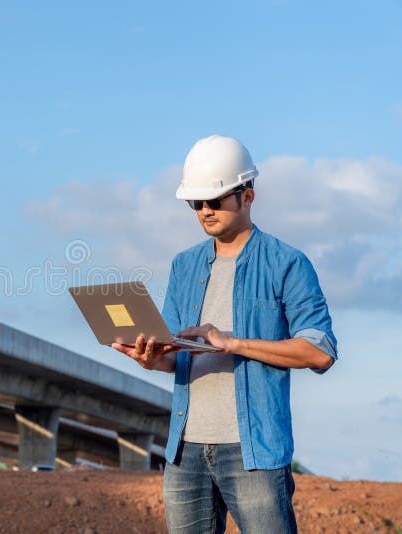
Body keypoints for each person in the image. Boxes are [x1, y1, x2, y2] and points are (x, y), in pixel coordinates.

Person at [112, 135, 338, 533]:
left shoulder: (287, 264)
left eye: (214, 201)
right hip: (185, 454)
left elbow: (319, 351)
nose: (204, 211)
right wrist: (151, 358)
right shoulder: (184, 266)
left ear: (247, 196)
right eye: (195, 203)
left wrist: (232, 343)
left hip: (255, 453)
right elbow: (172, 354)